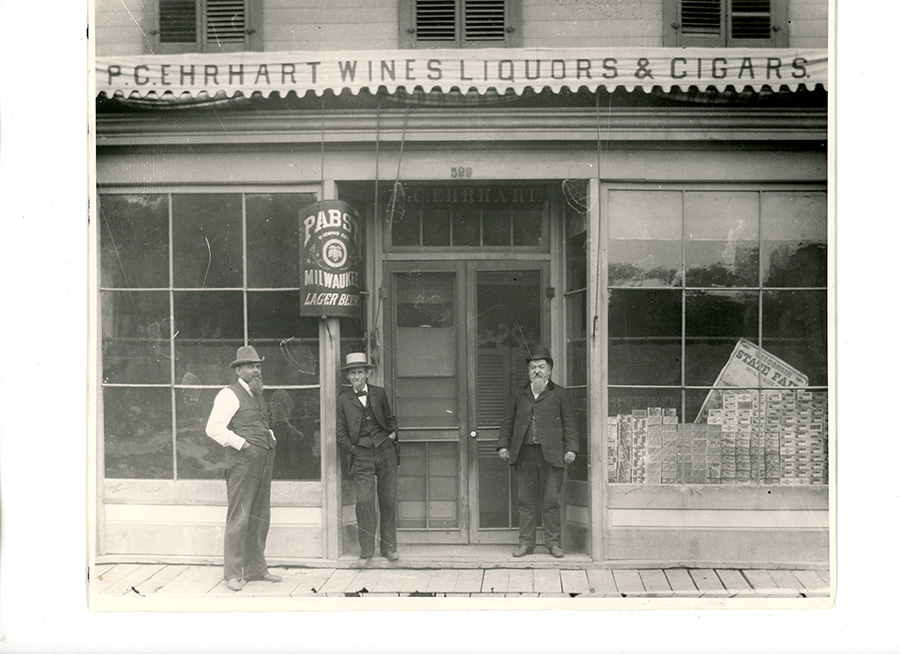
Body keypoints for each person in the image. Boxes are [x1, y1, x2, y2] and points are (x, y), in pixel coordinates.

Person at [205, 345, 282, 591]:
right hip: (241, 464)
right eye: (251, 366)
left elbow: (259, 422)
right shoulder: (228, 394)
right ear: (239, 370)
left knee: (260, 516)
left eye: (258, 366)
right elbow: (213, 428)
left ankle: (255, 569)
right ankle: (232, 574)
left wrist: (269, 435)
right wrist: (243, 444)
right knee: (239, 518)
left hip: (263, 462)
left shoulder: (257, 393)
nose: (256, 370)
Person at [497, 345, 578, 559]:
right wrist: (503, 445)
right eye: (533, 367)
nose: (537, 371)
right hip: (525, 455)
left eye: (541, 367)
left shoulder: (560, 394)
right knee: (526, 501)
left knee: (551, 500)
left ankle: (553, 544)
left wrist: (571, 448)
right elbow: (508, 422)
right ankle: (526, 544)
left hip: (553, 456)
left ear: (549, 370)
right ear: (528, 371)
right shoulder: (519, 394)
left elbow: (570, 424)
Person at [336, 352, 400, 565]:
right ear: (348, 377)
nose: (356, 377)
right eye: (352, 373)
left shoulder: (379, 393)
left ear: (367, 374)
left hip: (385, 451)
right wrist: (353, 449)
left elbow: (390, 418)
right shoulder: (343, 399)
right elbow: (341, 432)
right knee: (364, 502)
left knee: (388, 500)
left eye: (360, 372)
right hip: (361, 455)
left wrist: (392, 435)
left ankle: (389, 547)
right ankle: (366, 551)